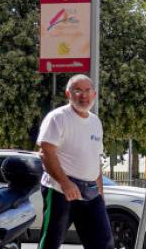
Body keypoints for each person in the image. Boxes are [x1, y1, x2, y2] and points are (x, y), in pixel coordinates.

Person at [36, 74, 113, 249]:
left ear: (94, 94)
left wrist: (100, 192)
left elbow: (95, 159)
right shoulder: (58, 117)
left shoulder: (95, 122)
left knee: (103, 244)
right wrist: (65, 183)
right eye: (77, 90)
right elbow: (45, 153)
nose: (83, 95)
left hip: (92, 195)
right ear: (68, 94)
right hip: (60, 191)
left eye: (87, 91)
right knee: (51, 243)